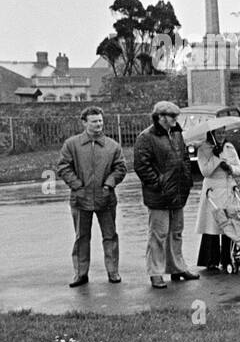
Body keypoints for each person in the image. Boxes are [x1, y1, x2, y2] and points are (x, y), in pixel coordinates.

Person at [55, 106, 127, 286]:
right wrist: (77, 185)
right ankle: (80, 273)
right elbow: (63, 167)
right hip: (80, 199)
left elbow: (120, 168)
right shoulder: (72, 144)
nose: (98, 124)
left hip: (106, 199)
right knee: (81, 237)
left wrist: (109, 184)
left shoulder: (112, 146)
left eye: (100, 120)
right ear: (84, 123)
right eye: (94, 121)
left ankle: (113, 271)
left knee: (110, 235)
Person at [133, 100, 199, 289]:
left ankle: (177, 267)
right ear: (160, 117)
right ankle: (155, 272)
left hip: (178, 192)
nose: (175, 119)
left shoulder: (177, 134)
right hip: (159, 195)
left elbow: (185, 158)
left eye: (176, 116)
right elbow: (142, 166)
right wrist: (159, 184)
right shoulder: (146, 137)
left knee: (176, 233)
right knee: (158, 235)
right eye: (172, 116)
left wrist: (186, 180)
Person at [194, 129, 240, 271]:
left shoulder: (229, 147)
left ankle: (229, 256)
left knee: (229, 223)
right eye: (218, 133)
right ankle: (211, 259)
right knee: (212, 225)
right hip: (213, 190)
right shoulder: (204, 149)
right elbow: (205, 171)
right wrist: (216, 158)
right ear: (212, 133)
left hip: (228, 189)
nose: (221, 135)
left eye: (223, 132)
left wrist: (229, 167)